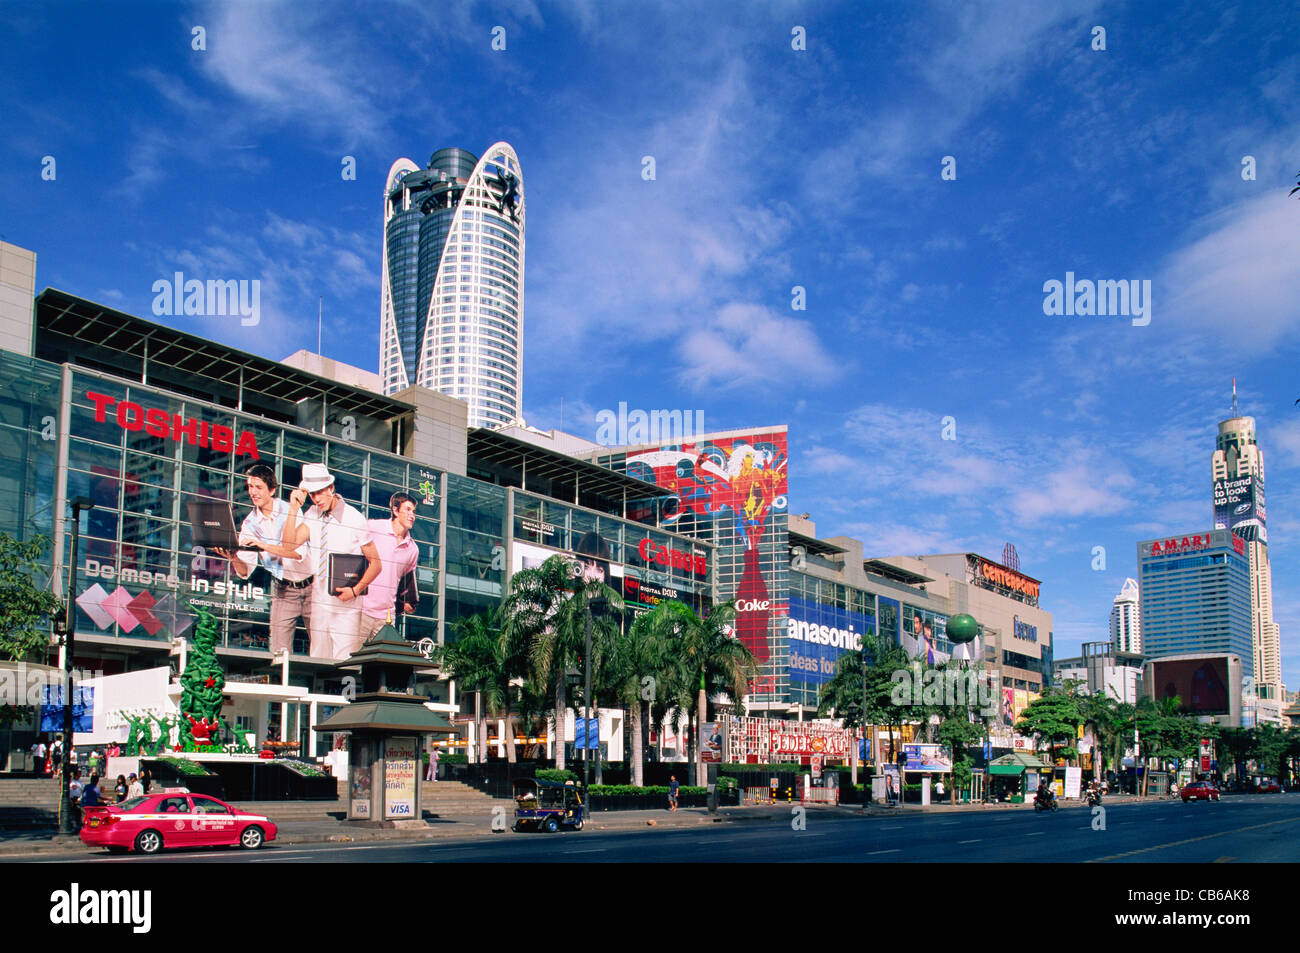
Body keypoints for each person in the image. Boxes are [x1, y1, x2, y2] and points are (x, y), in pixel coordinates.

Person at [282, 464, 381, 660]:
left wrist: (355, 590)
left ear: (331, 488)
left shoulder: (354, 519)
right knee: (318, 661)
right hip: (319, 604)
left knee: (344, 664)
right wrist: (293, 509)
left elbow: (376, 563)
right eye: (312, 494)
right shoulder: (311, 514)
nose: (316, 499)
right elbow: (288, 546)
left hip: (346, 609)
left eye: (319, 492)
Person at [215, 464, 315, 655]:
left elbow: (296, 552)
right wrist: (234, 557)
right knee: (278, 650)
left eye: (258, 487)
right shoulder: (249, 524)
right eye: (250, 487)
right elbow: (245, 572)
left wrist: (263, 546)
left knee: (319, 645)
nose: (253, 492)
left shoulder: (291, 510)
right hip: (283, 589)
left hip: (312, 586)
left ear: (272, 489)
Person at [358, 492, 421, 642]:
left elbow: (406, 580)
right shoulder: (373, 527)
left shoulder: (413, 549)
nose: (412, 515)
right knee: (350, 661)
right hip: (361, 610)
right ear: (395, 510)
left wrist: (407, 601)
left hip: (387, 617)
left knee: (382, 664)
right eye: (407, 509)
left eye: (414, 511)